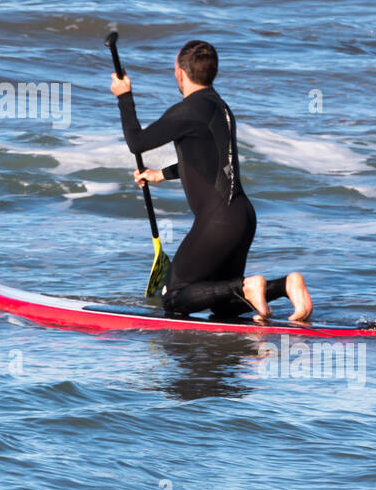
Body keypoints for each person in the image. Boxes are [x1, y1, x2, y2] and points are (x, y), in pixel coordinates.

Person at [110, 40, 313, 321]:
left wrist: (124, 96)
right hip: (241, 216)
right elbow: (205, 159)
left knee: (174, 297)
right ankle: (286, 286)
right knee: (224, 305)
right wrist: (162, 174)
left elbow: (137, 142)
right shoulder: (220, 108)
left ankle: (248, 285)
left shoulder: (187, 110)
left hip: (219, 221)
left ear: (180, 73)